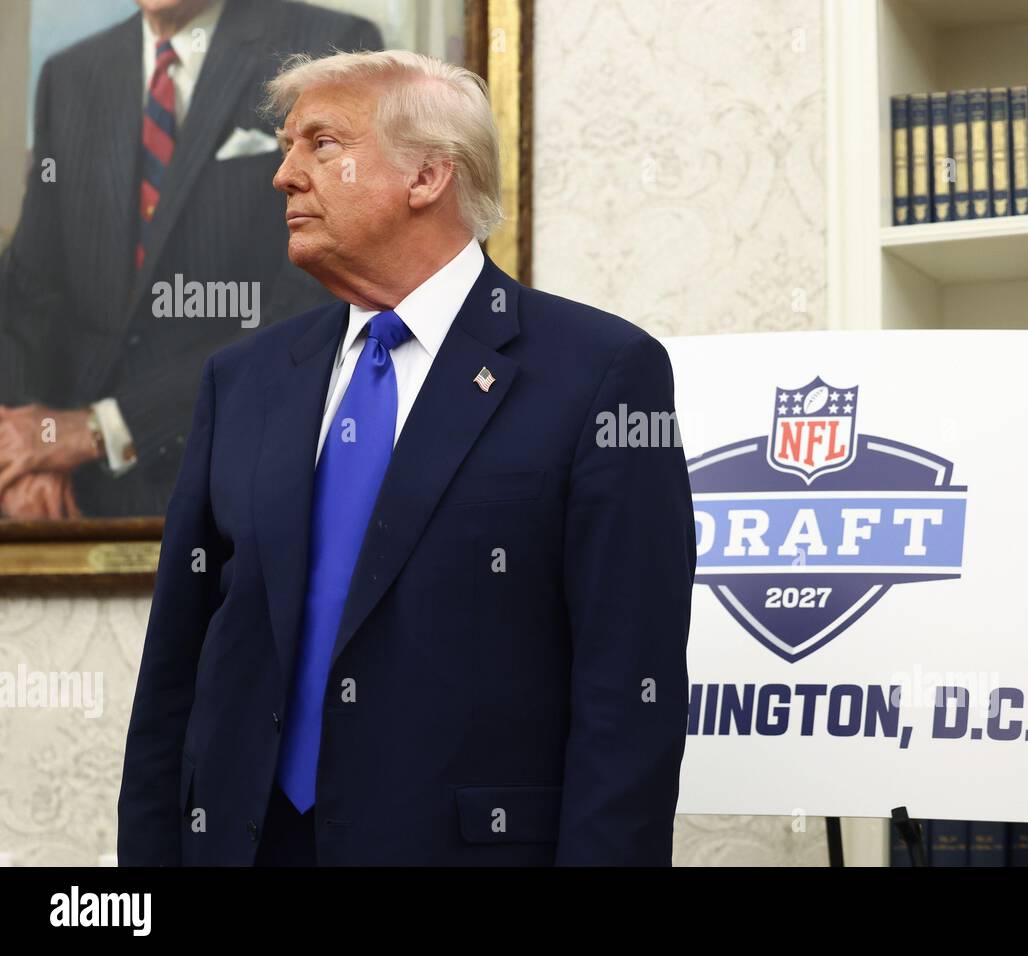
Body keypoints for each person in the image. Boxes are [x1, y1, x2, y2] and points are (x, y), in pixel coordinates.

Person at [117, 49, 695, 866]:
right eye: (286, 147)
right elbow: (173, 673)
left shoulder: (602, 374)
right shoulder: (241, 381)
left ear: (427, 176)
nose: (284, 175)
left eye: (320, 144)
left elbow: (628, 700)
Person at [0, 0, 380, 519]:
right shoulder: (70, 74)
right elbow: (30, 290)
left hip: (238, 472)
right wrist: (24, 453)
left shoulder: (328, 47)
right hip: (66, 492)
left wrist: (104, 428)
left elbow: (319, 297)